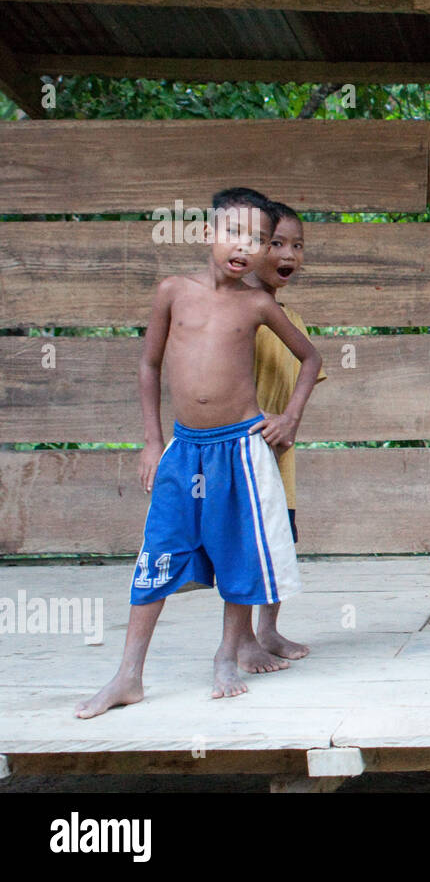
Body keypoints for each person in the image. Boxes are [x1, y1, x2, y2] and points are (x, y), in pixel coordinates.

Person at [75, 187, 322, 718]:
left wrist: (290, 416)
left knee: (237, 553)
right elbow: (148, 365)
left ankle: (227, 657)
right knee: (157, 552)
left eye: (257, 239)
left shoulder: (256, 304)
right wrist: (151, 439)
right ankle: (128, 675)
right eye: (234, 234)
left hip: (242, 448)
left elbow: (310, 357)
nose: (246, 247)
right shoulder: (173, 292)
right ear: (209, 234)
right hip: (185, 451)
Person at [247, 200, 326, 662]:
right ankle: (239, 639)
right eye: (277, 243)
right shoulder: (238, 312)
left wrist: (289, 418)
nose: (289, 254)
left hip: (280, 453)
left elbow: (310, 369)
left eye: (297, 245)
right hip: (243, 447)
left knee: (278, 540)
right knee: (244, 544)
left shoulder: (290, 319)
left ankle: (269, 630)